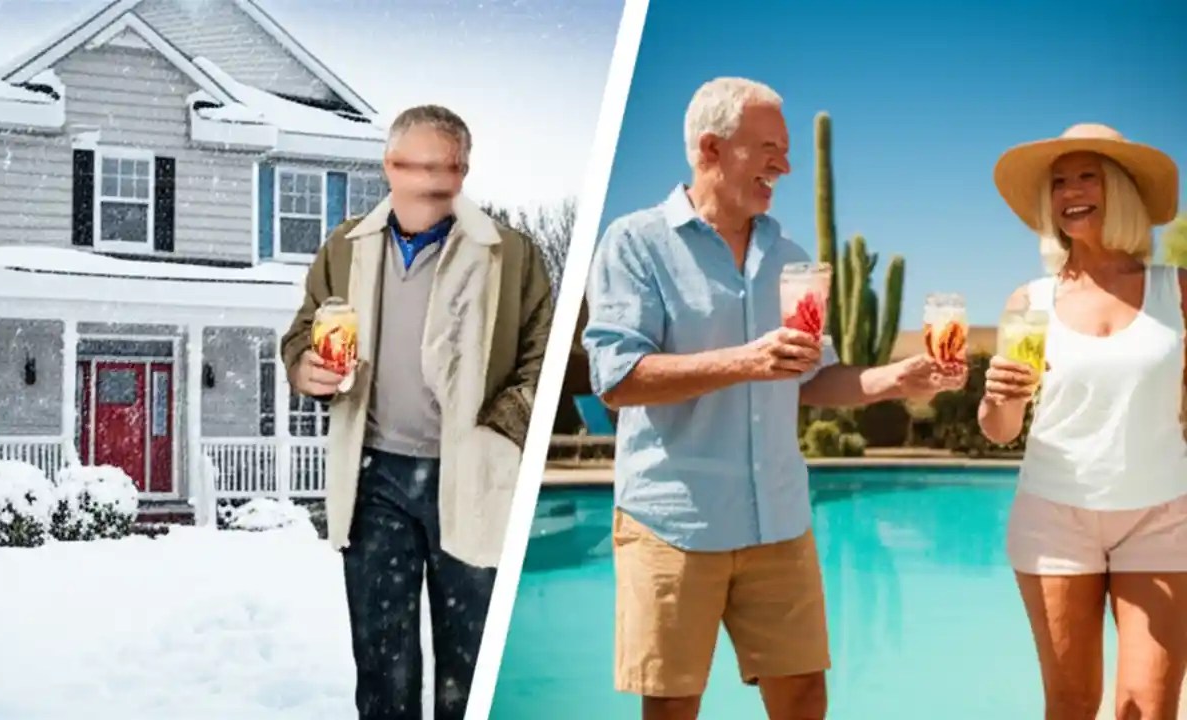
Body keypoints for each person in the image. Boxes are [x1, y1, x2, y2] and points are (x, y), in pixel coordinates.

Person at [581, 77, 967, 720]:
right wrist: (746, 360)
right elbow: (617, 378)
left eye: (787, 152)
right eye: (769, 149)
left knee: (805, 698)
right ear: (711, 148)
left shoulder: (789, 257)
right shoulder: (635, 243)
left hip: (779, 521)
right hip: (675, 522)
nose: (785, 167)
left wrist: (899, 378)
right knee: (673, 706)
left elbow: (813, 376)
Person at [280, 104, 554, 720]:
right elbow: (302, 333)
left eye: (447, 166)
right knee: (383, 662)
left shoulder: (509, 255)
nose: (432, 180)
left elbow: (543, 359)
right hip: (374, 477)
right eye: (417, 166)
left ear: (464, 172)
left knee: (473, 663)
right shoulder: (345, 248)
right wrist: (306, 369)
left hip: (470, 479)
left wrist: (497, 435)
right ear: (389, 166)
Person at [982, 124, 1187, 720]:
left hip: (1161, 517)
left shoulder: (1176, 291)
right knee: (1072, 702)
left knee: (1149, 706)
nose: (1070, 192)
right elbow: (1001, 429)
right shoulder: (1031, 301)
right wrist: (999, 398)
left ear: (1118, 189)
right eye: (1059, 182)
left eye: (1086, 177)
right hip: (1055, 519)